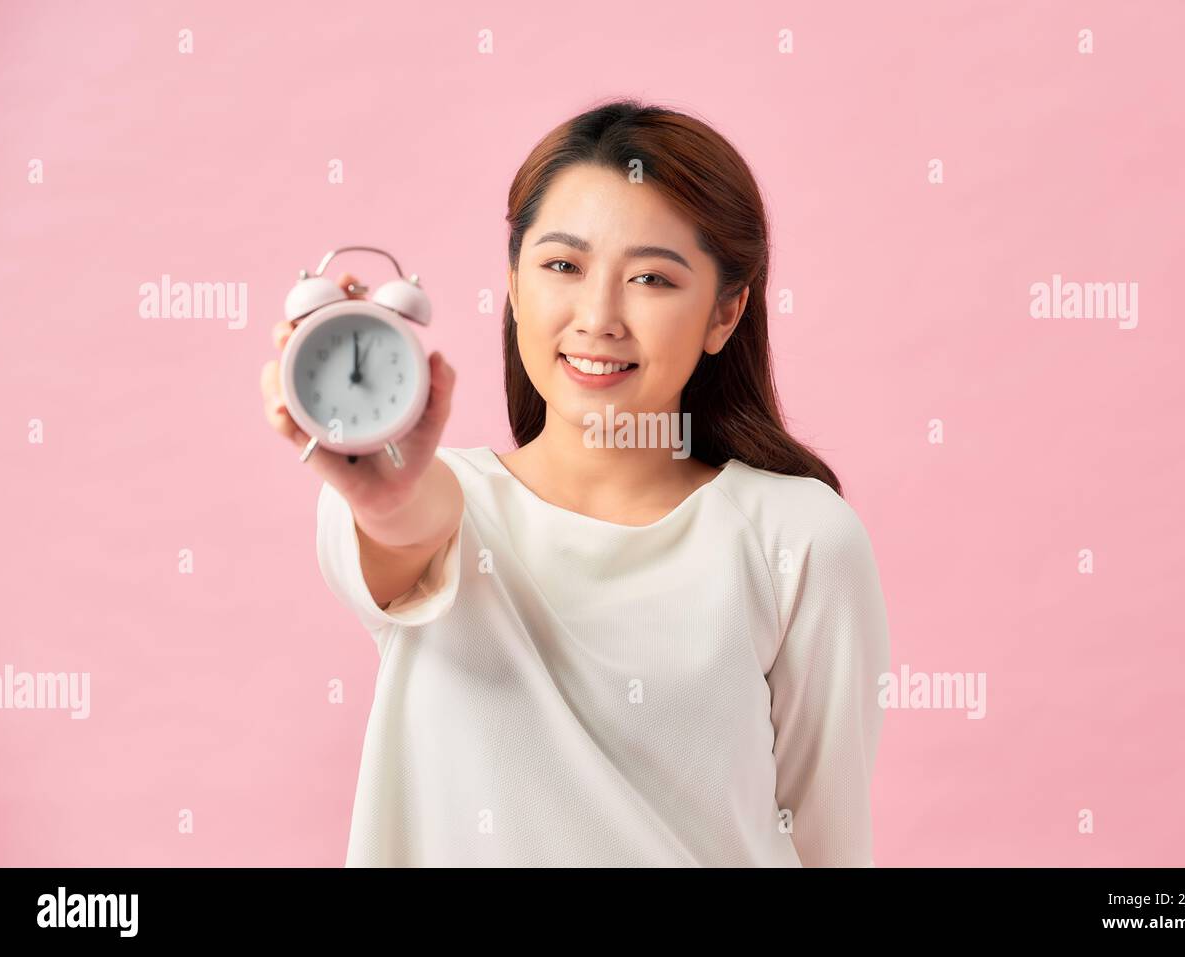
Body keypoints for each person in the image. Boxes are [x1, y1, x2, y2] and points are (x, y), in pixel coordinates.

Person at [259, 99, 891, 867]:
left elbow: (828, 844)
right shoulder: (440, 503)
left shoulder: (797, 536)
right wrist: (384, 496)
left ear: (725, 314)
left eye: (653, 278)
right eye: (562, 265)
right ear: (515, 286)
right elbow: (407, 526)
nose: (599, 316)